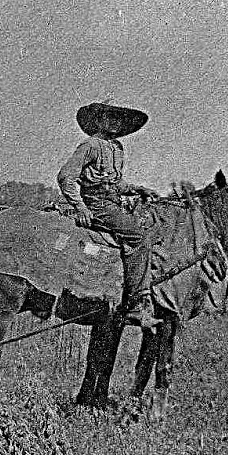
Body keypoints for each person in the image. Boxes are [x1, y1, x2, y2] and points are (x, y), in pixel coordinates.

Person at [58, 100, 161, 331]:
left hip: (113, 202)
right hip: (98, 205)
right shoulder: (91, 145)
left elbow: (114, 183)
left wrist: (138, 189)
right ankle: (136, 303)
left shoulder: (116, 148)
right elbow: (66, 176)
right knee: (138, 238)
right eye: (109, 117)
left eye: (119, 118)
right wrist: (80, 207)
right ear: (99, 120)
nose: (114, 122)